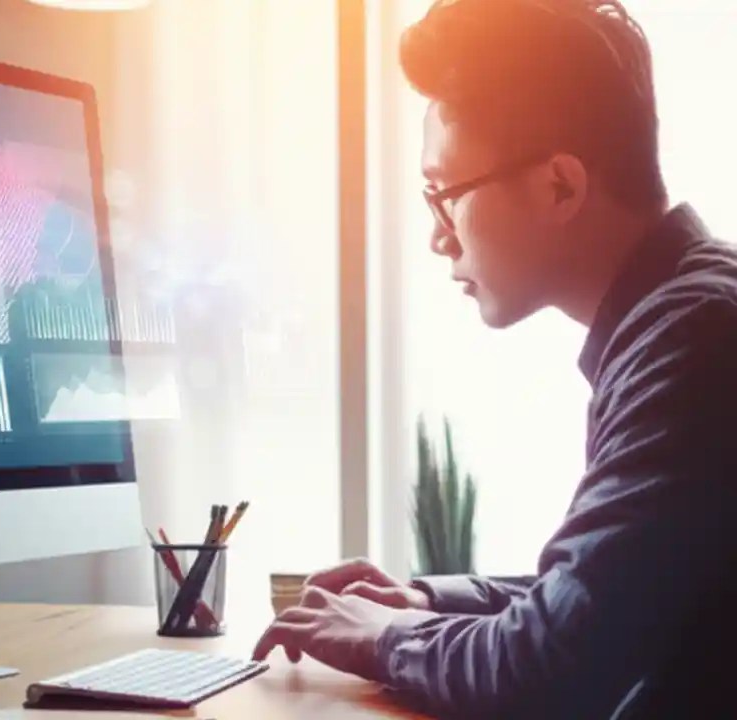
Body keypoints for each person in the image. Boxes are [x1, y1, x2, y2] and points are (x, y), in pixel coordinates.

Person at [252, 0, 737, 717]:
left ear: (561, 185)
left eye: (444, 194)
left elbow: (554, 665)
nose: (437, 237)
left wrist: (388, 638)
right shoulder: (691, 309)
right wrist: (423, 599)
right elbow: (603, 595)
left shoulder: (695, 338)